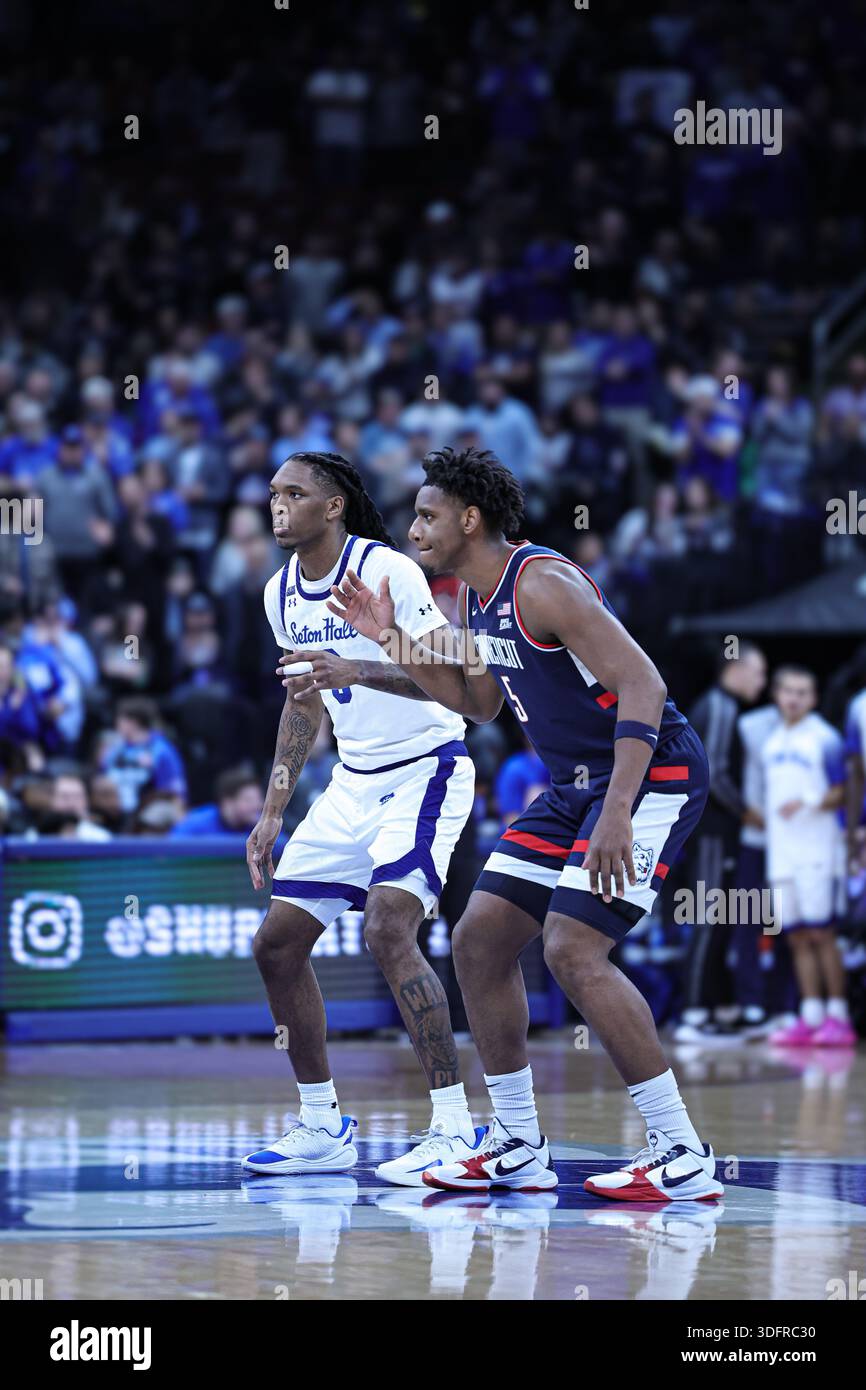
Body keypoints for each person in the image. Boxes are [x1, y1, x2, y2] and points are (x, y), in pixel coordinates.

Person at [319, 446, 723, 1201]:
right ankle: (516, 1143)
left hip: (648, 773)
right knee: (479, 940)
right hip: (573, 786)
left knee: (574, 950)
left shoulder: (545, 582)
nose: (414, 530)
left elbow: (643, 682)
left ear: (471, 519)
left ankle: (681, 1151)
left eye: (428, 516)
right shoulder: (474, 599)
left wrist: (615, 811)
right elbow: (477, 703)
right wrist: (388, 640)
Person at [242, 452, 483, 1182]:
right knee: (276, 948)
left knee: (387, 927)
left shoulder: (389, 571)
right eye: (274, 494)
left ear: (335, 504)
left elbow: (453, 680)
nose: (278, 505)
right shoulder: (278, 591)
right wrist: (273, 809)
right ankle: (322, 1126)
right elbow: (302, 698)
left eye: (294, 493)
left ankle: (454, 1130)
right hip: (351, 783)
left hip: (427, 767)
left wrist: (361, 666)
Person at [674, 642, 770, 1045]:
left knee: (721, 919)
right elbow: (712, 769)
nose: (762, 683)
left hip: (719, 833)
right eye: (759, 672)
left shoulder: (723, 706)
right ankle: (694, 1013)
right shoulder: (719, 706)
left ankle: (713, 1008)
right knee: (707, 918)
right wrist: (748, 811)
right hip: (711, 832)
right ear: (737, 669)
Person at [757, 667, 855, 1047]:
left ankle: (838, 1016)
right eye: (788, 691)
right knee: (796, 937)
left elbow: (843, 789)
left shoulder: (825, 738)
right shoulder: (772, 741)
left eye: (802, 692)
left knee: (822, 933)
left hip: (817, 851)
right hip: (781, 853)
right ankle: (810, 1016)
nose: (794, 698)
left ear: (813, 699)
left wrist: (808, 802)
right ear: (778, 695)